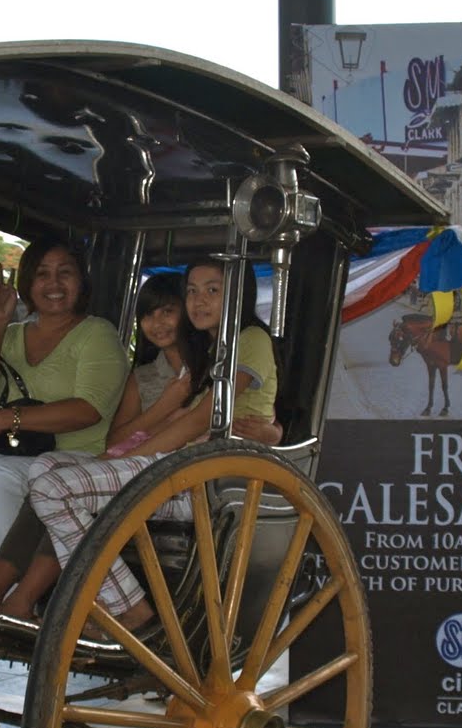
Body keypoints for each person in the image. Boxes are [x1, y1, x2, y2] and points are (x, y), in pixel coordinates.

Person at [21, 257, 279, 636]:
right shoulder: (210, 352)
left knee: (52, 489)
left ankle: (129, 608)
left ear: (239, 297)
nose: (199, 301)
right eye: (192, 291)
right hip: (188, 466)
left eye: (212, 290)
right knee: (43, 469)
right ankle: (87, 598)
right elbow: (186, 422)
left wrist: (125, 456)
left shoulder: (250, 339)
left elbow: (199, 420)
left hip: (214, 484)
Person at [0, 236, 128, 602]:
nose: (54, 284)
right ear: (27, 284)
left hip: (74, 458)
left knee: (1, 478)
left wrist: (8, 418)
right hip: (12, 452)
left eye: (64, 274)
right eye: (42, 274)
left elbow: (88, 409)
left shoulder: (97, 334)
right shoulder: (12, 335)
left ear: (81, 283)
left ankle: (4, 595)